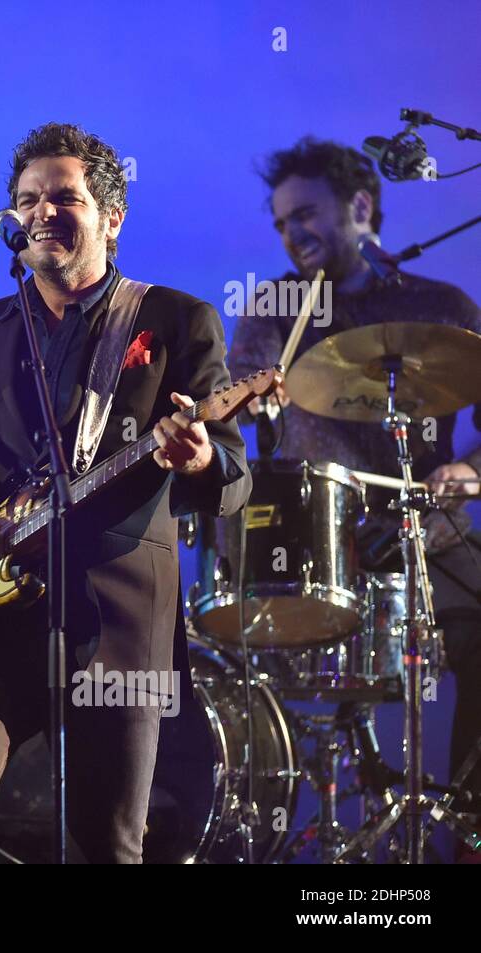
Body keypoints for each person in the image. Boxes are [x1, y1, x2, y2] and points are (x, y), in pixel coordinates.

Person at [0, 122, 251, 863]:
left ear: (113, 217)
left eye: (65, 197)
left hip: (113, 620)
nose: (43, 211)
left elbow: (233, 481)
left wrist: (200, 455)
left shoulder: (174, 321)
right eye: (27, 199)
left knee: (107, 847)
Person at [227, 137, 481, 853]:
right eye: (280, 224)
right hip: (319, 547)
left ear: (361, 207)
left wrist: (463, 474)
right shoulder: (276, 308)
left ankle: (469, 827)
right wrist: (250, 404)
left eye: (304, 215)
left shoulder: (445, 306)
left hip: (430, 539)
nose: (290, 235)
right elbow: (238, 403)